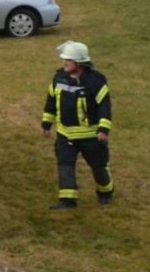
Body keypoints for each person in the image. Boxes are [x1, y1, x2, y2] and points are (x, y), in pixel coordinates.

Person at [42, 40, 113, 209]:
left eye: (68, 60)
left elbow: (104, 106)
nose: (64, 63)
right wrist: (47, 123)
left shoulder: (96, 82)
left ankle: (105, 193)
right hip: (65, 136)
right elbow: (51, 101)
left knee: (99, 167)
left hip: (91, 137)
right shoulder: (59, 78)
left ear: (80, 63)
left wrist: (103, 130)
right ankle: (67, 200)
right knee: (65, 167)